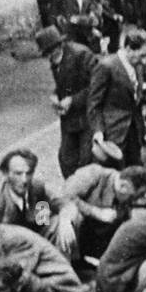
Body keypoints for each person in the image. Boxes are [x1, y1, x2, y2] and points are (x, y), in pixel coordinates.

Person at [55, 164, 146, 263]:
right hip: (72, 225)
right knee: (74, 214)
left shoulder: (123, 194)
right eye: (133, 197)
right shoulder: (94, 173)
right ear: (123, 186)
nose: (134, 201)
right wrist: (96, 212)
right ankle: (68, 262)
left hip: (94, 235)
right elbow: (65, 196)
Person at [39, 26, 101, 178]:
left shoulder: (81, 55)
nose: (49, 57)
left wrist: (73, 100)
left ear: (59, 45)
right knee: (65, 159)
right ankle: (72, 190)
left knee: (86, 159)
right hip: (69, 119)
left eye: (51, 51)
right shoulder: (55, 61)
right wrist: (55, 96)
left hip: (88, 116)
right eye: (46, 53)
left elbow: (98, 85)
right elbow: (64, 86)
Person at [88, 28, 143, 171]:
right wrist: (98, 131)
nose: (144, 61)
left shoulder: (137, 66)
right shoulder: (106, 66)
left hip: (133, 131)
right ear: (129, 49)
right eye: (142, 56)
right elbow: (94, 103)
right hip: (112, 133)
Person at [0, 149, 61, 242]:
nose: (24, 180)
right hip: (12, 250)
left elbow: (60, 203)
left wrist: (66, 219)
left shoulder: (37, 188)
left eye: (29, 173)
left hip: (39, 242)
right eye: (18, 174)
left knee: (58, 221)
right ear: (6, 174)